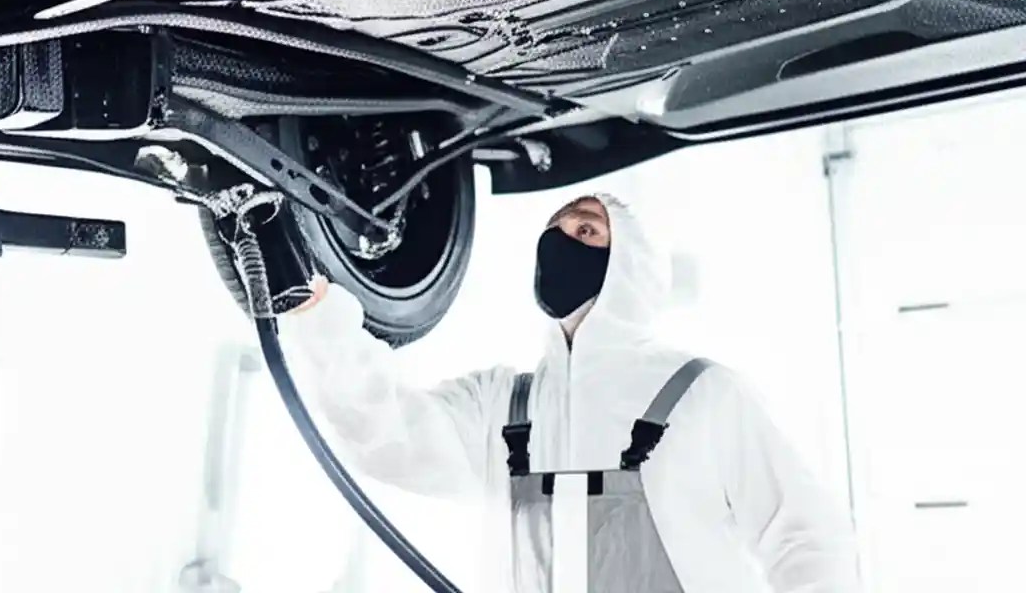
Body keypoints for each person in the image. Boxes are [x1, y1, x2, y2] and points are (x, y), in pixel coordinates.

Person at [277, 193, 860, 593]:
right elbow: (386, 432)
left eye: (585, 229)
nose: (562, 242)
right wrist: (315, 314)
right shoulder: (506, 407)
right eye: (553, 233)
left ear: (630, 262)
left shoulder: (701, 394)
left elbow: (805, 534)